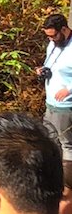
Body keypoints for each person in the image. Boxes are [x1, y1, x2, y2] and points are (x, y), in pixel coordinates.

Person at [38, 13, 72, 160]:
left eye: (53, 36)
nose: (51, 40)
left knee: (66, 144)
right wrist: (41, 70)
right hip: (50, 103)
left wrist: (69, 89)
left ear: (64, 29)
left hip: (65, 106)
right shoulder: (53, 44)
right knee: (50, 141)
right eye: (48, 37)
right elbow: (51, 64)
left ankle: (67, 182)